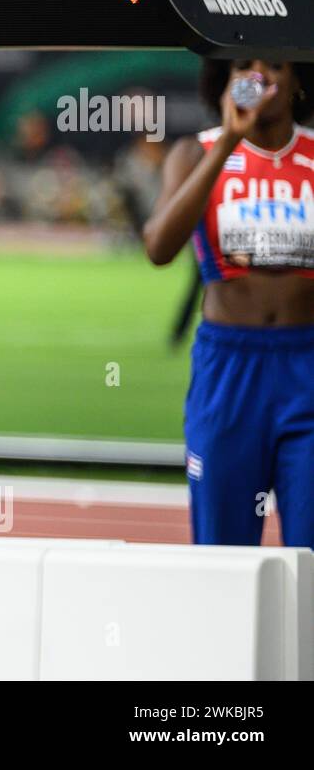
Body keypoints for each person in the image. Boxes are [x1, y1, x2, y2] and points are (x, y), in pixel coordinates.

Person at [142, 57, 314, 547]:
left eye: (275, 65)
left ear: (299, 79)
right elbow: (158, 247)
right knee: (224, 550)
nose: (259, 78)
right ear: (223, 81)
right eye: (244, 67)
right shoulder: (194, 153)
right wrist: (228, 142)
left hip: (307, 365)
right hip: (229, 369)